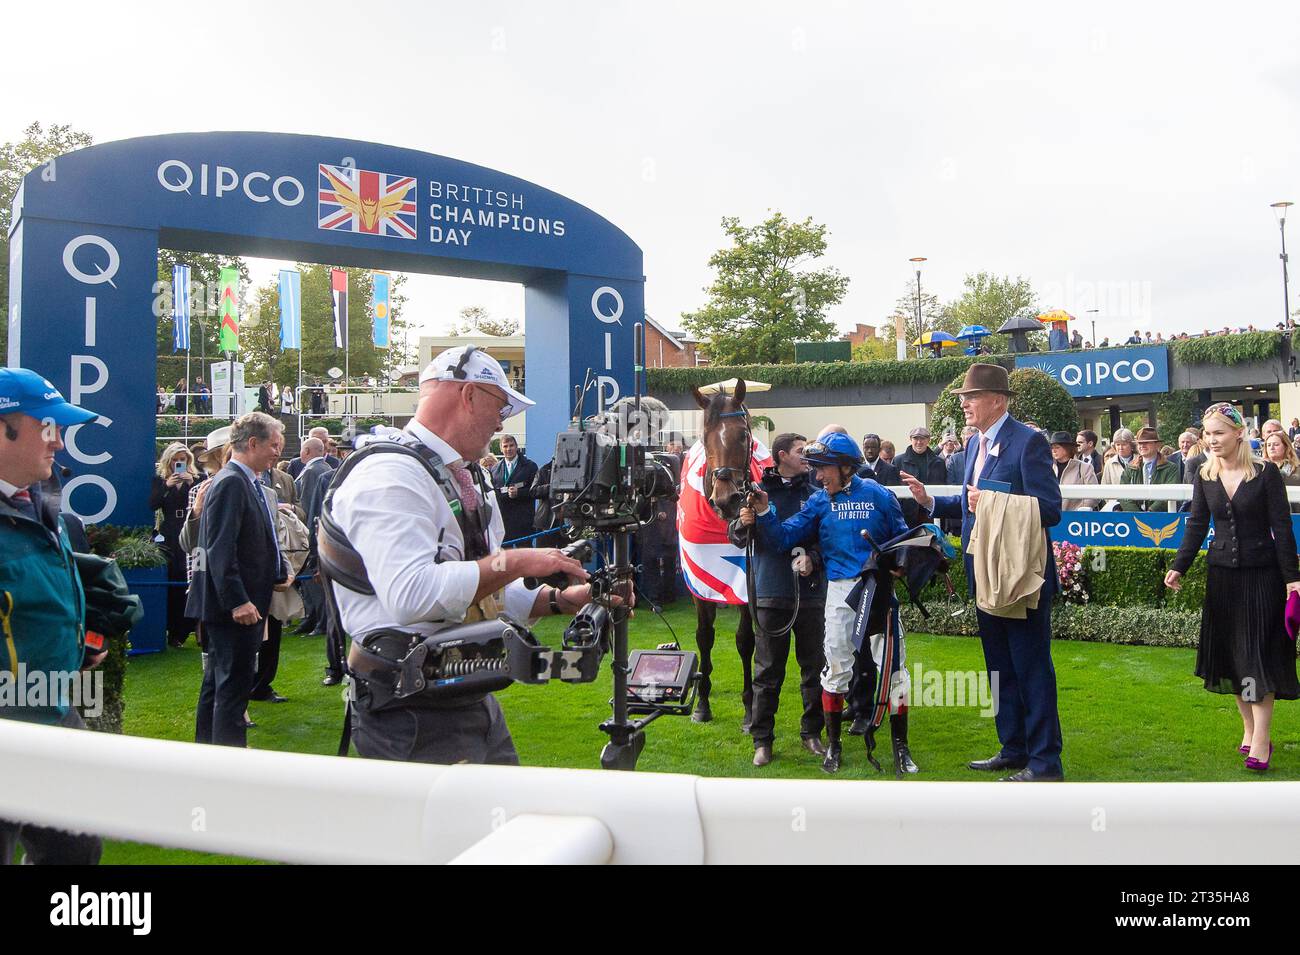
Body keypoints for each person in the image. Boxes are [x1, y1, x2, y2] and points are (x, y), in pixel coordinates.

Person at [328, 345, 616, 766]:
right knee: (458, 831)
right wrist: (518, 562)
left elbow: (480, 588)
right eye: (501, 406)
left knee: (503, 823)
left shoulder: (463, 474)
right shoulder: (390, 474)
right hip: (408, 710)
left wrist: (553, 601)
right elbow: (412, 596)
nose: (503, 421)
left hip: (464, 690)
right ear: (469, 396)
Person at [903, 363, 1065, 781]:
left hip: (1020, 575)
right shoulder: (973, 445)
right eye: (963, 399)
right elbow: (970, 504)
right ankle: (1013, 748)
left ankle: (1045, 763)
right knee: (1000, 668)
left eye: (970, 398)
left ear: (997, 400)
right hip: (984, 572)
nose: (964, 405)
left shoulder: (1028, 443)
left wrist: (988, 498)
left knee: (1031, 668)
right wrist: (932, 503)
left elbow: (1049, 510)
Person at [742, 432, 915, 775]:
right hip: (838, 593)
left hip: (878, 591)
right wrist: (764, 512)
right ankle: (833, 747)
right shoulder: (820, 502)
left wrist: (901, 563)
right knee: (836, 669)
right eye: (816, 469)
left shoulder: (880, 495)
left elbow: (903, 540)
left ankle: (901, 748)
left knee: (895, 670)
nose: (817, 476)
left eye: (824, 469)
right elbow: (783, 539)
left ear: (846, 467)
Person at [0, 370, 106, 865]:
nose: (59, 442)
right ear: (3, 429)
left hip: (50, 708)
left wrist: (78, 641)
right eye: (47, 427)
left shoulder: (37, 498)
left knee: (77, 850)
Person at [1165, 403, 1300, 772]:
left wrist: (1293, 580)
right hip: (1222, 577)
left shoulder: (1265, 474)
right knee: (1231, 657)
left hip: (1262, 577)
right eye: (1208, 434)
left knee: (1256, 655)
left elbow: (1283, 527)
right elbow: (1195, 525)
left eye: (1219, 433)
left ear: (1239, 433)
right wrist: (1179, 567)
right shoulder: (1204, 474)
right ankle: (1250, 728)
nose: (1212, 440)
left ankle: (1261, 740)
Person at [187, 412, 292, 748]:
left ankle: (210, 753)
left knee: (218, 685)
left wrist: (278, 570)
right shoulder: (232, 481)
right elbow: (220, 548)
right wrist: (237, 600)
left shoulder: (244, 481)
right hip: (234, 607)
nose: (278, 452)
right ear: (252, 443)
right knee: (232, 689)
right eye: (274, 445)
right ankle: (229, 760)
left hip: (241, 602)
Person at [727, 433, 826, 766]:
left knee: (814, 668)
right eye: (801, 452)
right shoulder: (755, 493)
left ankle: (812, 733)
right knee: (767, 671)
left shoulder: (815, 495)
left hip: (810, 594)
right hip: (770, 591)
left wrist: (813, 556)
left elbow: (826, 539)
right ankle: (762, 740)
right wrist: (743, 523)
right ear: (782, 455)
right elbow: (736, 536)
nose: (807, 457)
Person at [150, 442, 198, 647]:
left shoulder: (198, 479)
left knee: (188, 577)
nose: (180, 463)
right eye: (176, 460)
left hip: (189, 529)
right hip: (170, 530)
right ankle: (170, 629)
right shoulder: (160, 480)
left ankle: (184, 629)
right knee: (171, 576)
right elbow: (152, 505)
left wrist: (190, 482)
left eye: (184, 460)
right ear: (169, 461)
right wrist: (167, 487)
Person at [294, 438, 334, 648]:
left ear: (306, 451)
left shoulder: (312, 471)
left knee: (315, 582)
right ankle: (313, 619)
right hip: (316, 535)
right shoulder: (325, 467)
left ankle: (319, 621)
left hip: (312, 535)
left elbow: (310, 506)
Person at [489, 435, 538, 546]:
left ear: (517, 447)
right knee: (506, 558)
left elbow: (536, 491)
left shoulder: (530, 466)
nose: (508, 449)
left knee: (525, 557)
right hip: (504, 521)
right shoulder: (495, 469)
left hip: (523, 520)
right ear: (501, 449)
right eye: (505, 446)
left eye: (511, 445)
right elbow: (493, 492)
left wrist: (519, 493)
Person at [1118, 427, 1181, 512]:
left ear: (1157, 445)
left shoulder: (1170, 468)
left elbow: (1171, 492)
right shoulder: (1130, 468)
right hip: (1134, 518)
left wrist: (1151, 511)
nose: (1142, 446)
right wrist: (1137, 514)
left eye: (1146, 442)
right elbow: (1123, 494)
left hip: (1162, 519)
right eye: (1139, 443)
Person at [1048, 432, 1099, 511]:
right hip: (1052, 516)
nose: (1053, 450)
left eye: (1057, 447)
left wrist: (1081, 509)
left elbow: (1094, 495)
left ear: (1067, 448)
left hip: (1076, 519)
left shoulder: (1085, 468)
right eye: (1052, 447)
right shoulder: (1048, 467)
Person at [1263, 432, 1300, 514]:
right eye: (1268, 445)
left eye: (1276, 444)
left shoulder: (1297, 470)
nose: (1272, 448)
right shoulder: (1260, 470)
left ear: (1286, 447)